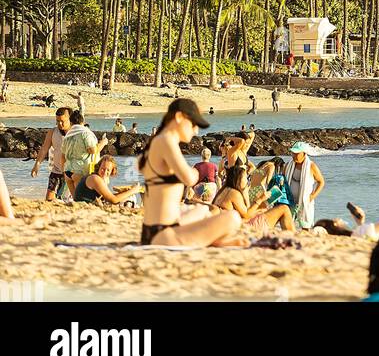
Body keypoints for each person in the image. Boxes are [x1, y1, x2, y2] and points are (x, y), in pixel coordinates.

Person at [138, 98, 244, 248]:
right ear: (179, 117)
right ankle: (213, 241)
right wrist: (196, 172)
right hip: (163, 235)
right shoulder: (167, 141)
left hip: (154, 229)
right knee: (232, 218)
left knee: (202, 211)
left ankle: (215, 241)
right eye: (193, 124)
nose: (196, 131)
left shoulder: (158, 141)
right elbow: (189, 178)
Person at [213, 163, 295, 235]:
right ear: (238, 179)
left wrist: (259, 206)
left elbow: (244, 212)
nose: (247, 180)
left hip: (233, 227)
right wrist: (260, 199)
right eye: (245, 177)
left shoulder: (223, 190)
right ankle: (293, 236)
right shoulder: (234, 193)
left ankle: (291, 235)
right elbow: (246, 216)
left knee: (264, 210)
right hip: (243, 229)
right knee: (284, 208)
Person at [31, 106, 72, 200]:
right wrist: (37, 164)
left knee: (65, 200)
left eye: (62, 121)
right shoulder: (52, 132)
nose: (60, 124)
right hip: (56, 170)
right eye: (57, 121)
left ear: (70, 119)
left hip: (71, 172)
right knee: (49, 199)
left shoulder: (75, 132)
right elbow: (44, 149)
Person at [74, 156, 142, 207]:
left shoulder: (99, 178)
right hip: (83, 206)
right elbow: (113, 200)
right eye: (103, 169)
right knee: (131, 197)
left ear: (112, 171)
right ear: (98, 167)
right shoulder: (95, 179)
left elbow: (108, 197)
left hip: (85, 204)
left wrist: (126, 191)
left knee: (129, 196)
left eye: (108, 170)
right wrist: (133, 191)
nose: (105, 172)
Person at [62, 110, 106, 188]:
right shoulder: (85, 133)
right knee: (81, 199)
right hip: (80, 170)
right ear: (83, 122)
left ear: (71, 123)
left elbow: (62, 156)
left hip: (68, 170)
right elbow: (93, 150)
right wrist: (103, 142)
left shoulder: (68, 136)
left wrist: (63, 172)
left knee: (75, 199)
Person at [286, 142, 325, 228]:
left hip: (305, 202)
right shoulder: (288, 165)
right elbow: (284, 181)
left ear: (304, 154)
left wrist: (313, 196)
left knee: (305, 226)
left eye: (297, 154)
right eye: (293, 153)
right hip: (290, 201)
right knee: (289, 226)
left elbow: (321, 182)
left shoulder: (311, 166)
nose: (294, 155)